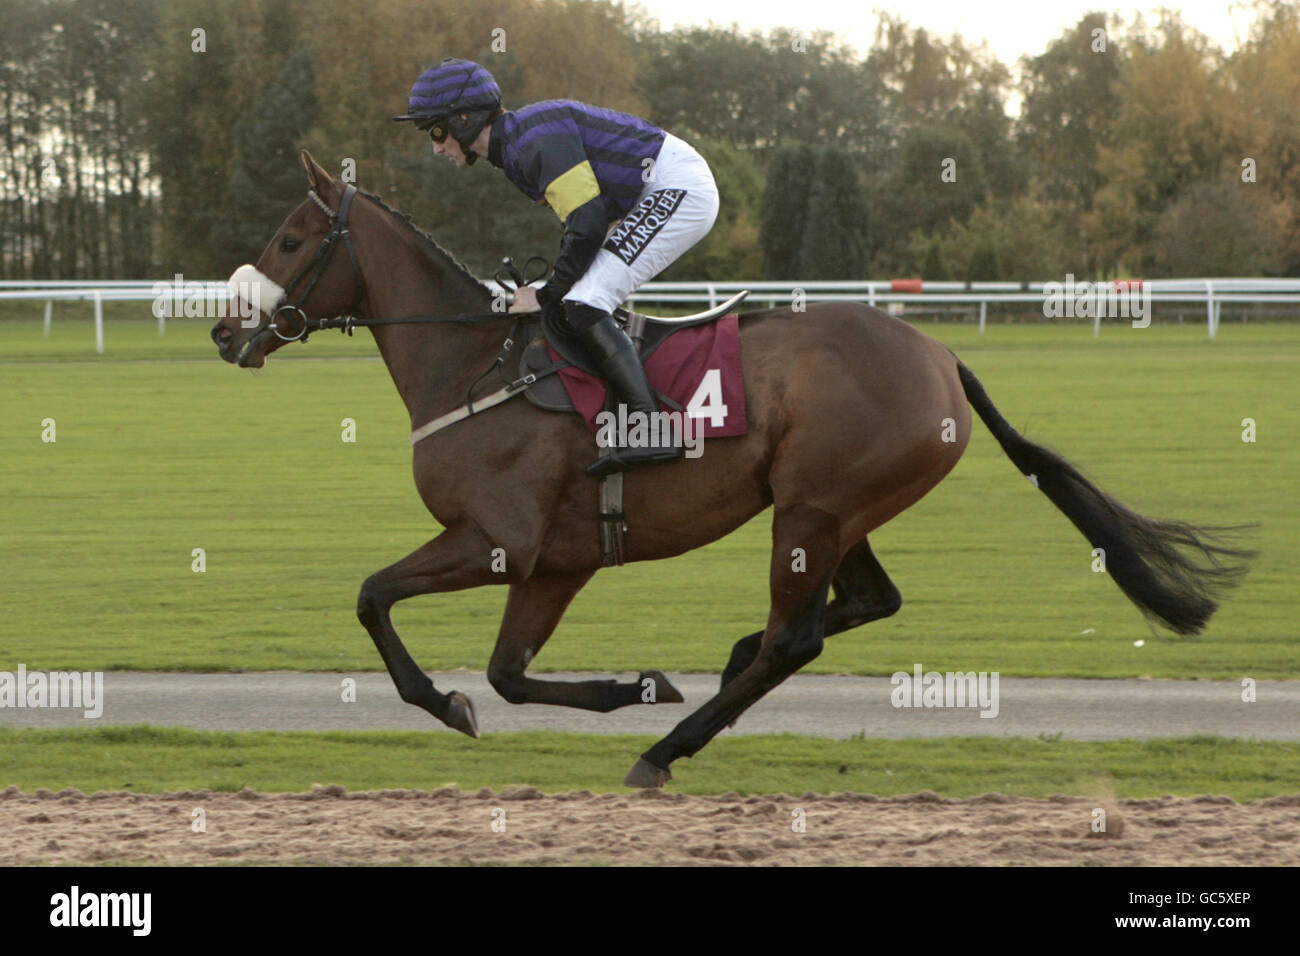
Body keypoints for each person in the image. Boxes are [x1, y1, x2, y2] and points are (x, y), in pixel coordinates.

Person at [394, 58, 720, 477]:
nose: (436, 147)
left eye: (436, 131)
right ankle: (615, 412)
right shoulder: (517, 145)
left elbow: (587, 224)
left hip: (679, 188)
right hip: (660, 186)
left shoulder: (531, 143)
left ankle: (651, 429)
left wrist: (547, 292)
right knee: (577, 299)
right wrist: (554, 289)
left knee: (584, 300)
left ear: (463, 119)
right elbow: (581, 225)